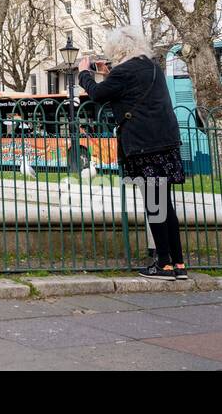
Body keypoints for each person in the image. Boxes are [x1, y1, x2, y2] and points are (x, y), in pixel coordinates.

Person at [76, 26, 188, 281]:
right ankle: (178, 263)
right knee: (165, 204)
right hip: (167, 141)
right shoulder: (152, 67)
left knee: (155, 205)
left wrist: (84, 73)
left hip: (144, 145)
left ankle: (163, 264)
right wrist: (109, 74)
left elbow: (97, 94)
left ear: (116, 50)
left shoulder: (125, 72)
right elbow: (128, 90)